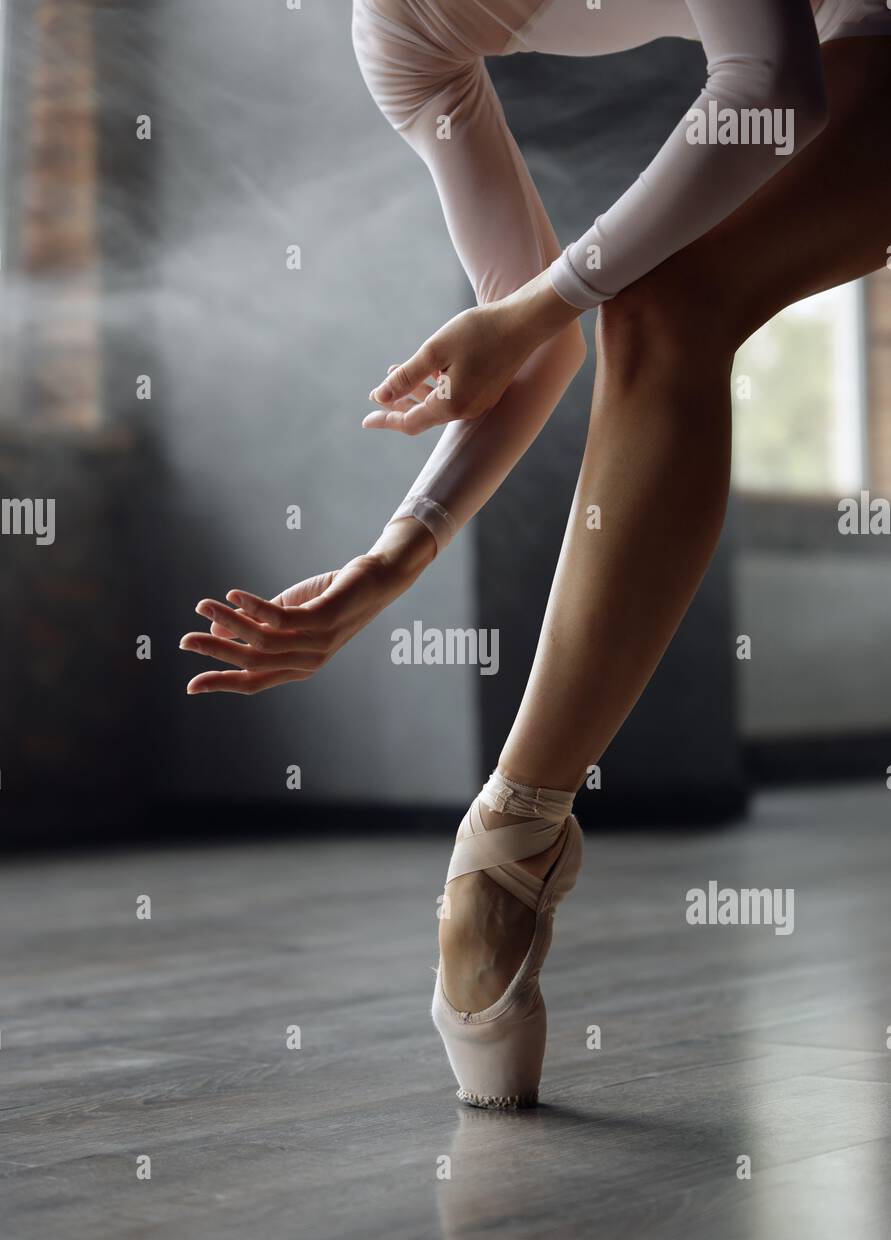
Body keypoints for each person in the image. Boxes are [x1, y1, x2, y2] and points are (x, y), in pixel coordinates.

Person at [180, 1, 891, 1108]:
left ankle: (511, 843)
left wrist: (535, 309)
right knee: (656, 308)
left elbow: (770, 91)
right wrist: (396, 554)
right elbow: (533, 338)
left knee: (659, 299)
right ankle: (515, 845)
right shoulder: (405, 35)